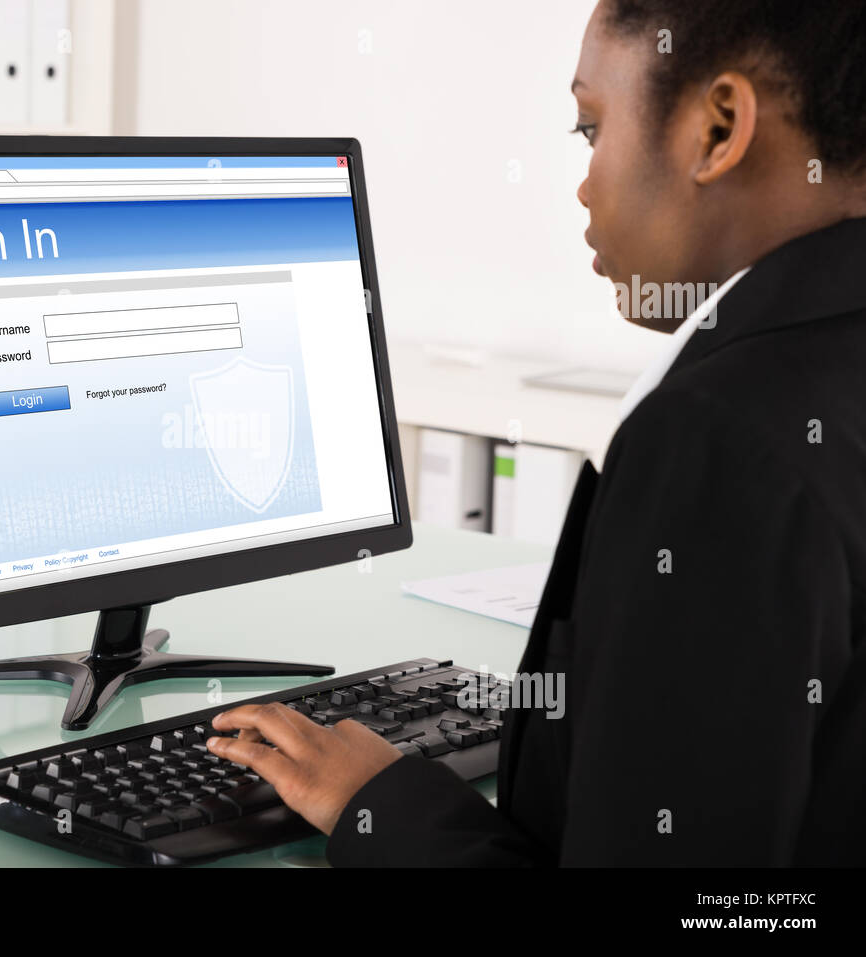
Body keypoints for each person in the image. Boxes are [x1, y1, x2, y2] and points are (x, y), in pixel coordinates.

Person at [206, 0, 866, 866]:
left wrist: (384, 802)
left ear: (718, 127)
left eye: (589, 127)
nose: (585, 184)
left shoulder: (719, 439)